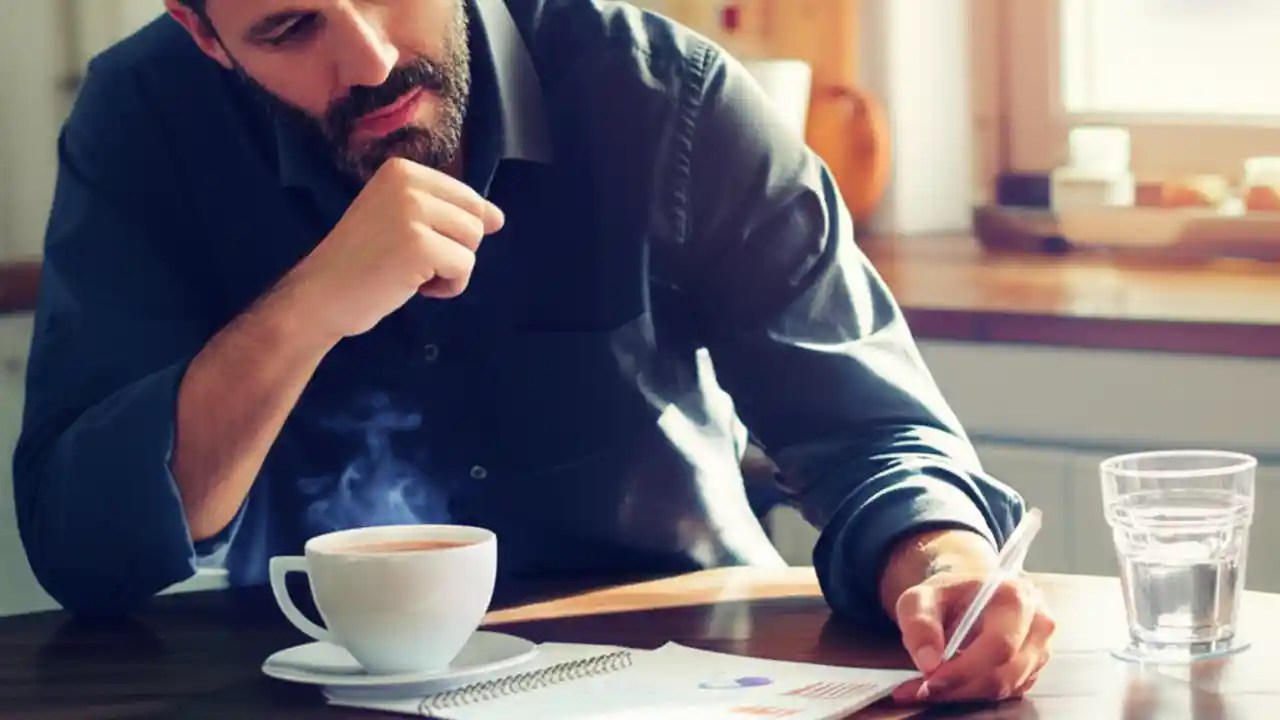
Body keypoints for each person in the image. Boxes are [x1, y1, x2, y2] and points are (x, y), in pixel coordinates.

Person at [13, 0, 1053, 704]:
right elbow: (87, 548)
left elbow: (873, 434)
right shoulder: (143, 118)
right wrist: (310, 306)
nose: (369, 58)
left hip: (680, 674)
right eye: (290, 28)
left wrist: (947, 569)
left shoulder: (666, 97)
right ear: (204, 35)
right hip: (328, 684)